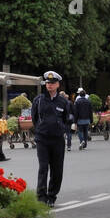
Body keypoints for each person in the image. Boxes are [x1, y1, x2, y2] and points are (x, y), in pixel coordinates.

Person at [31, 71, 72, 206]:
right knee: (43, 167)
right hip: (42, 139)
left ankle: (52, 196)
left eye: (52, 83)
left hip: (57, 139)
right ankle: (41, 197)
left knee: (57, 169)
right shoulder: (39, 100)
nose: (49, 85)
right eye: (48, 83)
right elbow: (34, 118)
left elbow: (67, 118)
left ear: (57, 85)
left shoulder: (63, 102)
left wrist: (62, 129)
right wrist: (39, 130)